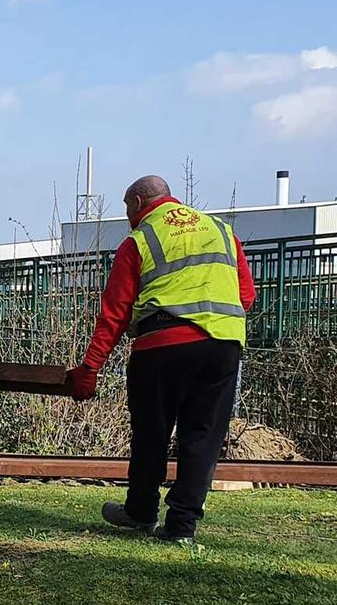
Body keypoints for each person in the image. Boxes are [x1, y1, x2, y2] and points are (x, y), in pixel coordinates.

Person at [67, 175, 256, 542]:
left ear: (138, 202)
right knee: (202, 436)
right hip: (222, 344)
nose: (128, 218)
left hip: (162, 346)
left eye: (126, 209)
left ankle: (140, 512)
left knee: (151, 432)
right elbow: (245, 295)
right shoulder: (221, 231)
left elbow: (115, 313)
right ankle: (181, 526)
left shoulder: (141, 240)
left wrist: (90, 368)